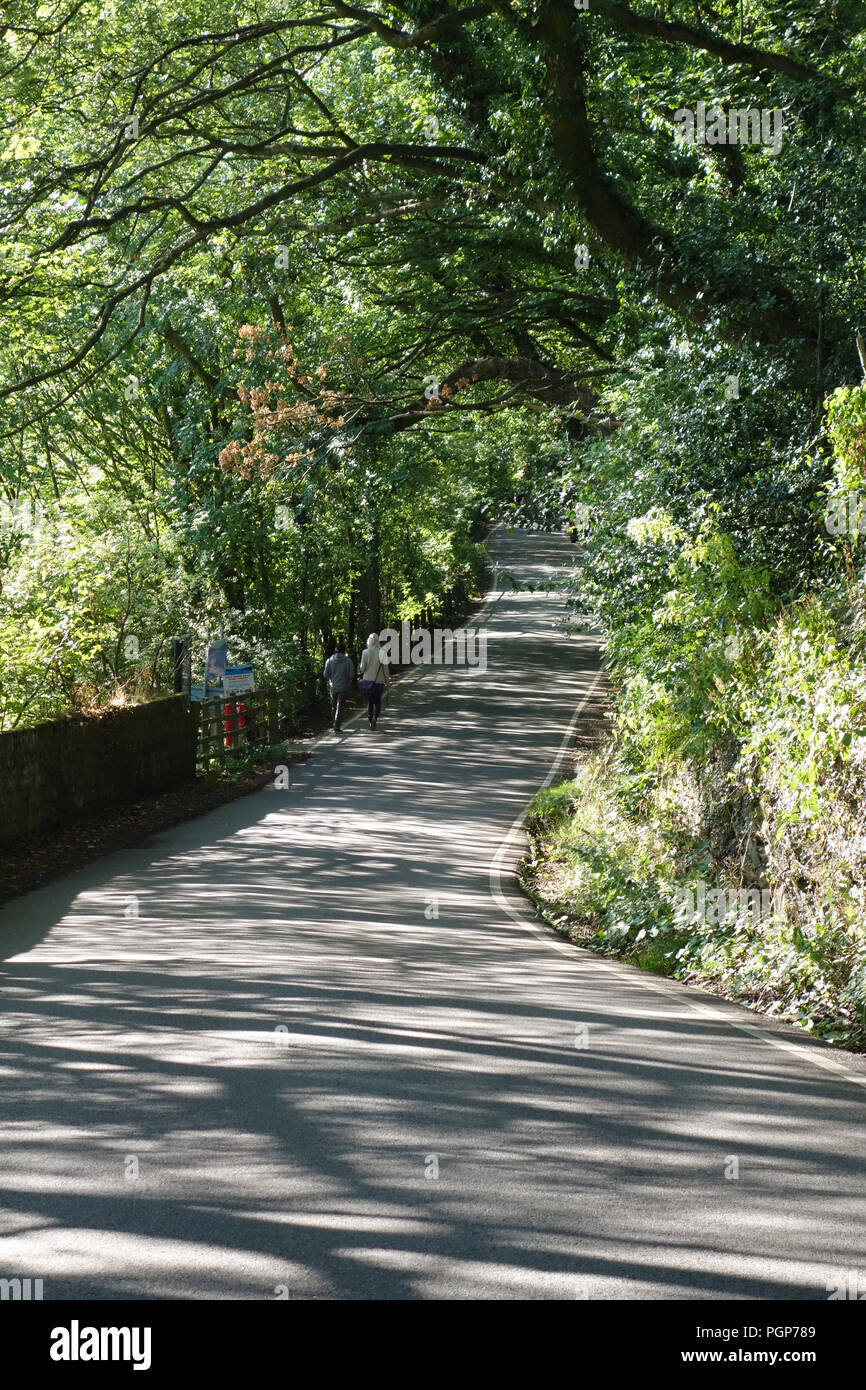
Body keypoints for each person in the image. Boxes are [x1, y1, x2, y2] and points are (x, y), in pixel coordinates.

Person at [359, 632, 391, 729]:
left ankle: (369, 719)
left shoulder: (365, 652)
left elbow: (362, 668)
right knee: (377, 702)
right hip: (379, 681)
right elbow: (385, 669)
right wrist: (387, 681)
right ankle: (375, 719)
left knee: (370, 701)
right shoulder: (383, 652)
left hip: (367, 681)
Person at [323, 639, 355, 734]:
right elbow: (352, 675)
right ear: (344, 650)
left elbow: (325, 674)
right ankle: (336, 725)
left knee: (333, 706)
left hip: (333, 687)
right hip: (343, 686)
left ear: (336, 650)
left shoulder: (329, 660)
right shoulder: (348, 661)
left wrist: (332, 677)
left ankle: (334, 724)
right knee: (340, 706)